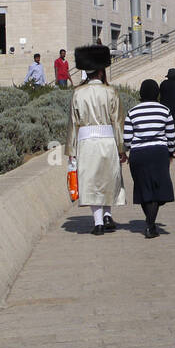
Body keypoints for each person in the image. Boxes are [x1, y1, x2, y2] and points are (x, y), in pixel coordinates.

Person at [66, 45, 126, 235]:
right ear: (101, 71)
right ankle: (108, 214)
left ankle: (98, 221)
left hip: (85, 142)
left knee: (90, 180)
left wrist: (71, 151)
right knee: (109, 178)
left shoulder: (77, 93)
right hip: (108, 139)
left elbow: (73, 124)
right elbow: (118, 122)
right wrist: (121, 147)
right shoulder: (111, 92)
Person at [124, 79, 175, 238]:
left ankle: (150, 223)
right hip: (158, 153)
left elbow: (126, 138)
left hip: (138, 154)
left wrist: (127, 150)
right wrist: (171, 151)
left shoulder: (132, 112)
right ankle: (150, 225)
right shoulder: (164, 110)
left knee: (143, 187)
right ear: (157, 93)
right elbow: (171, 135)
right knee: (158, 188)